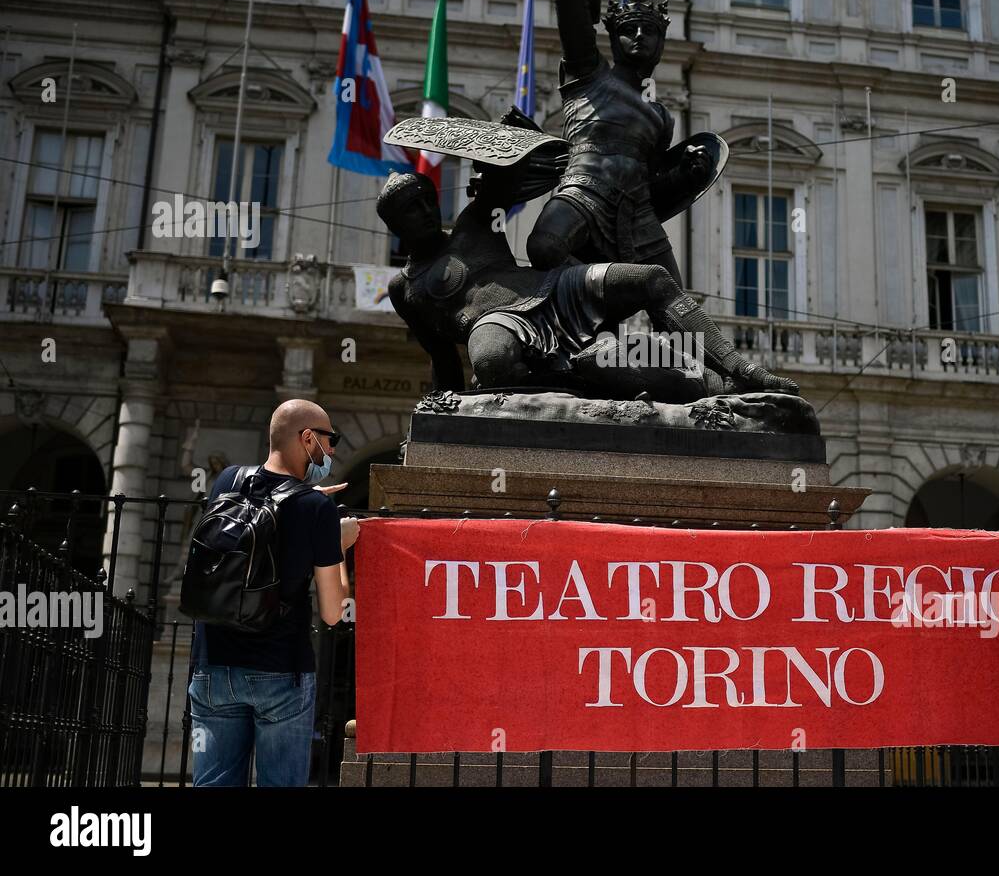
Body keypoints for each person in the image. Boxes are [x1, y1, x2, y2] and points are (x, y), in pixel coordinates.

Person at [380, 169, 798, 397]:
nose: (424, 210)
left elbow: (523, 174)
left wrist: (515, 141)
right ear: (394, 224)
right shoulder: (406, 289)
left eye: (426, 200)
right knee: (491, 363)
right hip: (495, 323)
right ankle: (575, 376)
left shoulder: (473, 222)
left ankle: (741, 370)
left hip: (553, 288)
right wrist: (440, 410)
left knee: (651, 279)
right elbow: (444, 360)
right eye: (410, 209)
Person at [187, 399, 359, 786]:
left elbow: (263, 514)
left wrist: (311, 501)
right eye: (331, 440)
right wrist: (336, 543)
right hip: (280, 670)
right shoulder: (316, 510)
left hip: (213, 662)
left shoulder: (227, 481)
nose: (332, 450)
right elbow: (334, 612)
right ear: (308, 438)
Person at [525, 0, 711, 285]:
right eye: (629, 29)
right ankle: (589, 291)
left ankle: (602, 292)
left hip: (636, 214)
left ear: (661, 43)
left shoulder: (662, 116)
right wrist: (590, 0)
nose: (639, 35)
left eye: (648, 31)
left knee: (672, 296)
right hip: (583, 193)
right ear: (612, 38)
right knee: (544, 247)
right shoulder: (589, 73)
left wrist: (685, 175)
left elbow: (651, 187)